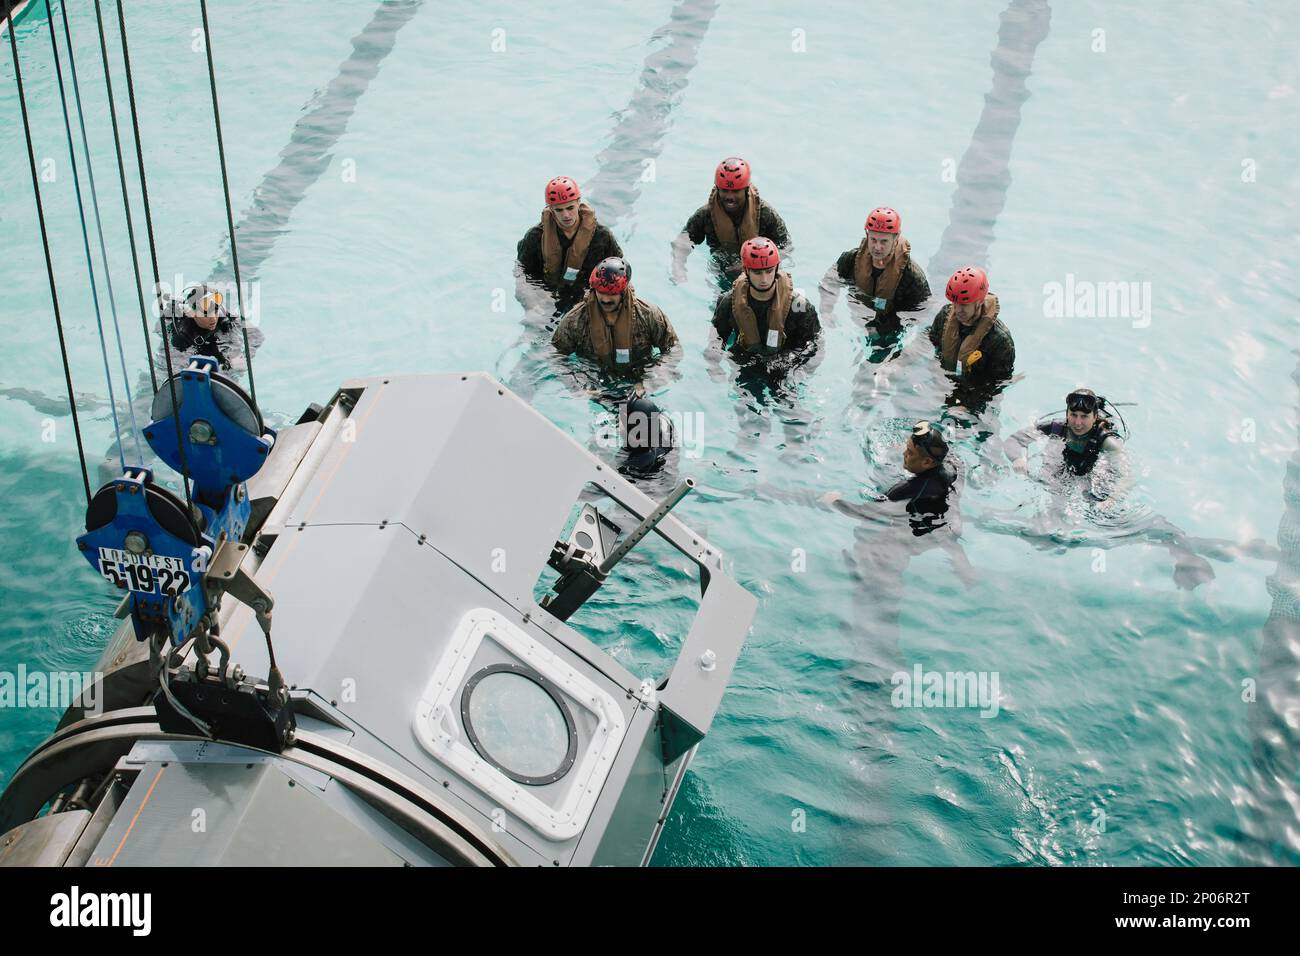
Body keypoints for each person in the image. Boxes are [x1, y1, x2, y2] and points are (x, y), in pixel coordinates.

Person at [820, 420, 961, 536]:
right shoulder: (952, 467)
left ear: (926, 462)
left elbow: (867, 513)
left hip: (917, 527)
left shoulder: (906, 489)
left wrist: (835, 502)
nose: (903, 453)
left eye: (910, 452)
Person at [671, 157, 792, 286]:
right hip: (723, 272)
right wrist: (678, 268)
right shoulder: (706, 214)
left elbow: (786, 246)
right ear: (717, 188)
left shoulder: (765, 213)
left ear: (746, 190)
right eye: (724, 190)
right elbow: (682, 241)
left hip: (759, 272)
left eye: (735, 191)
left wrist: (751, 265)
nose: (729, 197)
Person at [819, 206, 929, 343]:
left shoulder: (911, 275)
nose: (877, 247)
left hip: (892, 327)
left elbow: (923, 312)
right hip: (859, 316)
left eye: (884, 241)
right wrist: (827, 311)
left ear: (896, 239)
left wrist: (889, 330)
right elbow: (830, 281)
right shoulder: (852, 259)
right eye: (873, 240)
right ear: (867, 235)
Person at [515, 176, 623, 316]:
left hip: (587, 299)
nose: (566, 215)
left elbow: (619, 272)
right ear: (550, 209)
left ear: (579, 203)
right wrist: (532, 303)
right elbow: (521, 274)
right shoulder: (535, 237)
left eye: (570, 207)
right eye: (559, 210)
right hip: (546, 299)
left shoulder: (602, 236)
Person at [551, 257, 679, 372]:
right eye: (601, 292)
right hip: (593, 380)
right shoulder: (575, 319)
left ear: (624, 290)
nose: (605, 299)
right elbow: (554, 355)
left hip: (640, 376)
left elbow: (674, 350)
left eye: (612, 293)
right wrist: (579, 387)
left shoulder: (648, 314)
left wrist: (649, 383)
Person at [711, 237, 819, 368]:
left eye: (769, 271)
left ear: (777, 268)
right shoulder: (729, 301)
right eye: (757, 272)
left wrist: (791, 365)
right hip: (745, 357)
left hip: (785, 360)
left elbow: (813, 345)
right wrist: (714, 365)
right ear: (746, 271)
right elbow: (716, 337)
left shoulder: (799, 306)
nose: (764, 279)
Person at [1003, 388, 1129, 498]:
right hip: (1064, 463)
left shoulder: (1107, 442)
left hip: (1093, 468)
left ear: (1095, 417)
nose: (1077, 423)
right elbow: (1015, 439)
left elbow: (1126, 476)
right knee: (1056, 490)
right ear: (1067, 413)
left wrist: (1112, 498)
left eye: (1084, 416)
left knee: (1094, 499)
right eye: (1073, 415)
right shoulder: (1056, 427)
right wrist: (1018, 459)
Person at [927, 266, 1014, 413]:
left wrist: (968, 407)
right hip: (944, 383)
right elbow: (927, 342)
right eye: (955, 302)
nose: (957, 309)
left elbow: (998, 384)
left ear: (980, 302)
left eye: (964, 304)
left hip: (977, 397)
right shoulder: (945, 316)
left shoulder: (1000, 341)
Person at [166, 283, 258, 372]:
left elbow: (256, 335)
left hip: (214, 340)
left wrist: (243, 356)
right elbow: (174, 363)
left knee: (229, 366)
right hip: (193, 347)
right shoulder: (183, 335)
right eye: (206, 313)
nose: (213, 318)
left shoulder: (225, 316)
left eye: (215, 311)